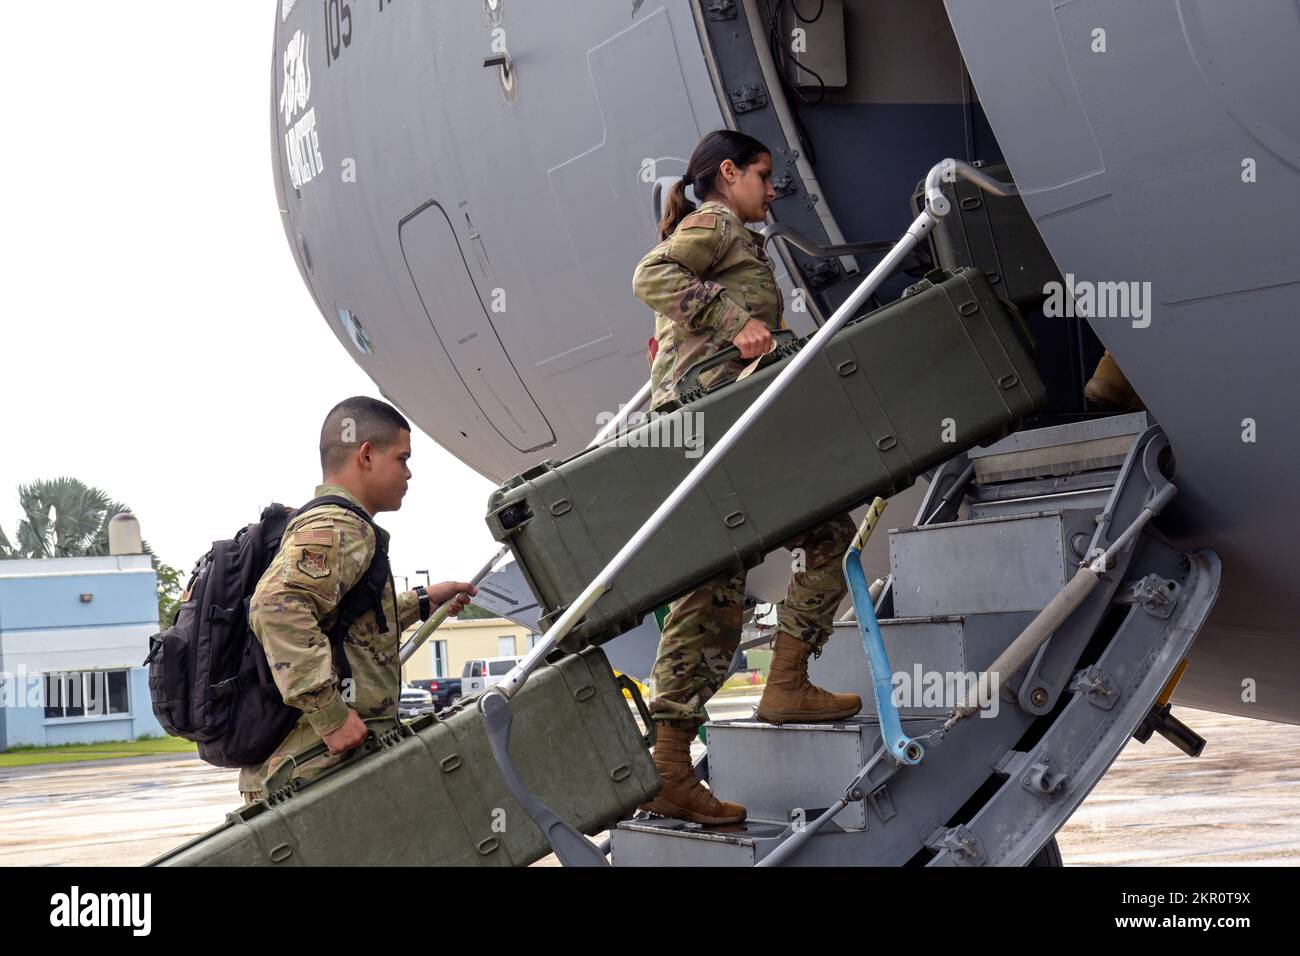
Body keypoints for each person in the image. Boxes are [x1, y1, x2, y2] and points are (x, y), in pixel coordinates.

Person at [630, 130, 862, 826]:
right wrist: (737, 321)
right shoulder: (715, 223)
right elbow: (650, 277)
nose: (772, 188)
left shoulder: (734, 233)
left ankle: (772, 691)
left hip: (727, 424)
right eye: (763, 174)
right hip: (711, 426)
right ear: (727, 174)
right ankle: (683, 754)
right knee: (727, 580)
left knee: (732, 577)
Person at [237, 396, 476, 803]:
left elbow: (344, 622)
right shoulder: (341, 525)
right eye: (402, 458)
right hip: (317, 767)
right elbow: (276, 607)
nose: (409, 473)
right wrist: (330, 717)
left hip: (309, 766)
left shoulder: (329, 524)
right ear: (366, 455)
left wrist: (421, 602)